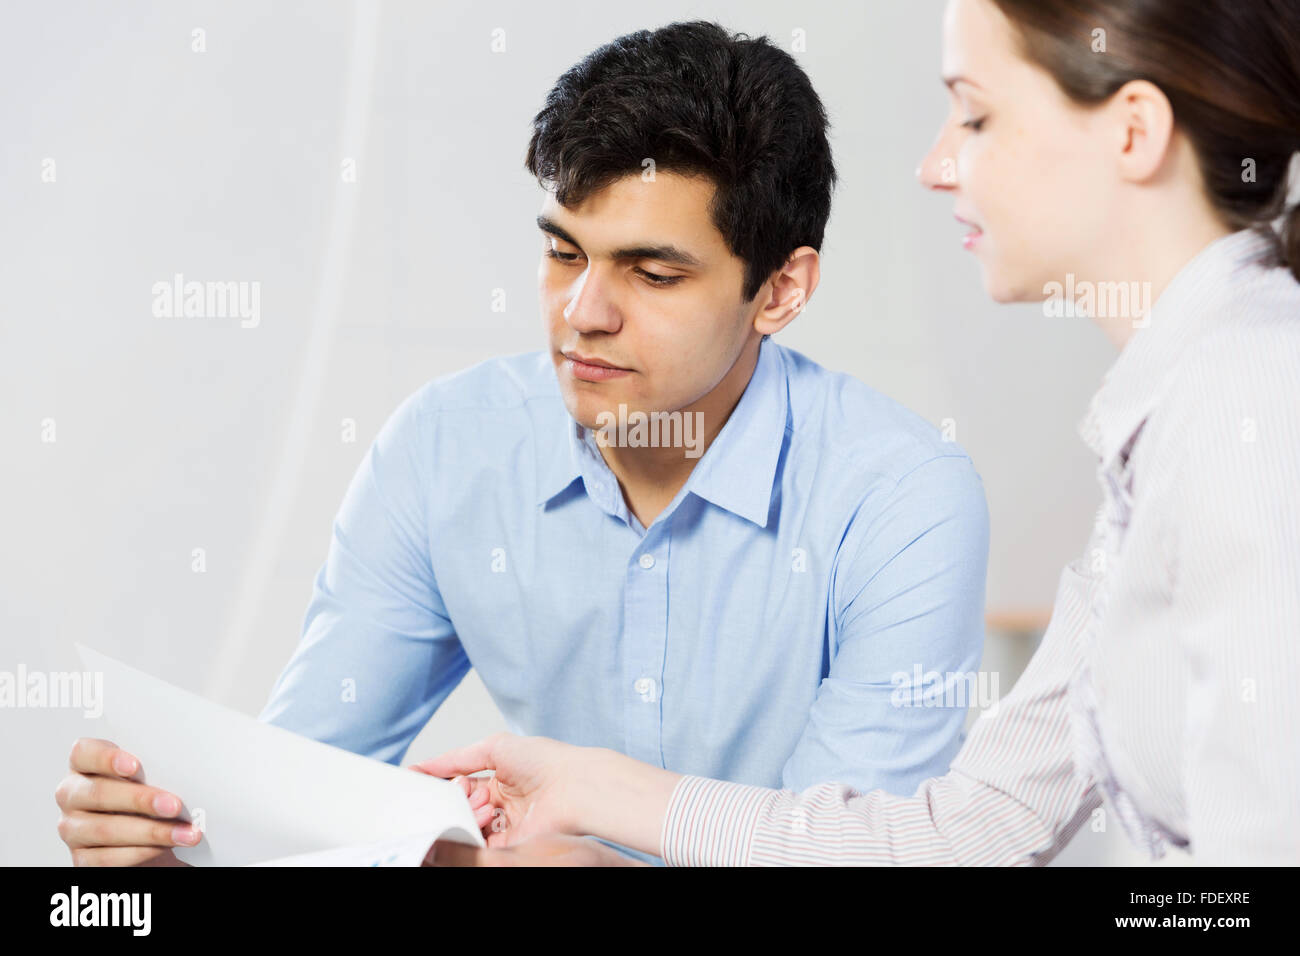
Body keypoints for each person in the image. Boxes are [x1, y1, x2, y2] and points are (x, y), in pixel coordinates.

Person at [54, 21, 991, 866]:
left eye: (654, 273)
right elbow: (306, 789)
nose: (582, 316)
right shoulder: (446, 447)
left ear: (780, 291)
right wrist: (184, 849)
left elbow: (861, 859)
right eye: (564, 253)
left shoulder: (902, 497)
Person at [420, 0, 1300, 866]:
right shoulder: (1180, 410)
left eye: (976, 114)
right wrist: (598, 796)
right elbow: (973, 827)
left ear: (1132, 131)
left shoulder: (1247, 403)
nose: (937, 164)